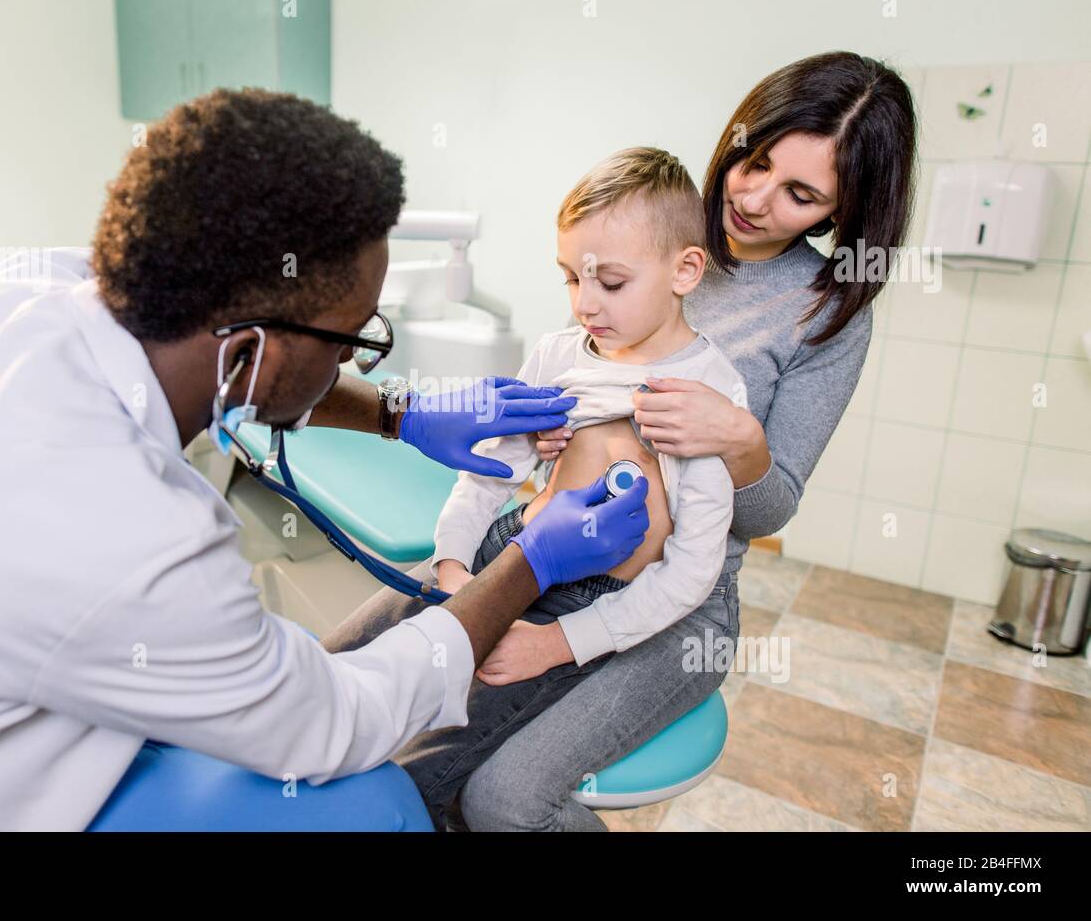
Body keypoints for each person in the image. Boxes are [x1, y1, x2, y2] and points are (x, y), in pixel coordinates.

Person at [0, 88, 650, 831]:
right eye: (354, 339)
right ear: (252, 350)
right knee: (374, 805)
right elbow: (333, 725)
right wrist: (532, 564)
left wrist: (402, 413)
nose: (356, 360)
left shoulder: (32, 291)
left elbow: (254, 367)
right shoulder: (132, 538)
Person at [332, 51, 918, 830]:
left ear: (841, 212)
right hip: (532, 542)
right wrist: (500, 489)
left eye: (800, 194)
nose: (754, 196)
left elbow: (765, 514)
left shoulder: (823, 315)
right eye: (755, 160)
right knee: (334, 682)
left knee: (494, 798)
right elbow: (502, 467)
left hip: (671, 600)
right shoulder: (643, 229)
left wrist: (739, 439)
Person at [323, 145, 744, 829]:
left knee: (423, 773)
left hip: (583, 602)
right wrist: (456, 564)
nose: (585, 304)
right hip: (506, 552)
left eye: (611, 282)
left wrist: (558, 643)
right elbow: (489, 476)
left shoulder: (706, 394)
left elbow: (693, 570)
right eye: (571, 279)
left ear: (685, 271)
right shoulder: (556, 355)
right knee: (331, 676)